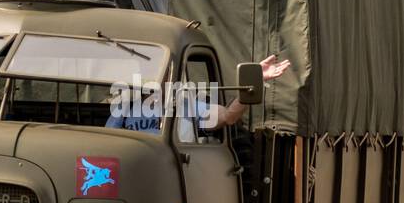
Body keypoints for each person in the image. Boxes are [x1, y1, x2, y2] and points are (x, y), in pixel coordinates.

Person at [106, 54, 291, 135]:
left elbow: (228, 116)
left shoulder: (188, 105)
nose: (156, 75)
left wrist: (254, 81)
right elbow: (110, 144)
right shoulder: (127, 106)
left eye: (162, 69)